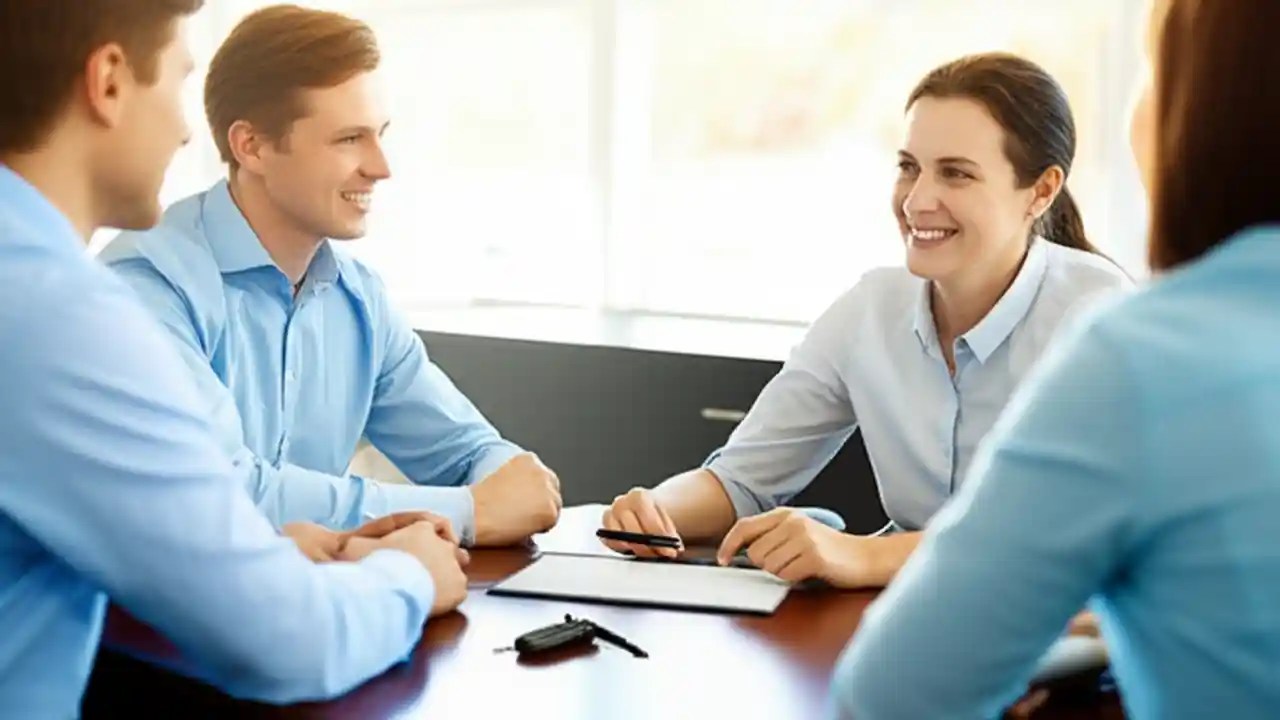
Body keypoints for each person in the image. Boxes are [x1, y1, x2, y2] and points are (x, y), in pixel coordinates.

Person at [0, 2, 469, 715]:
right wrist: (411, 573)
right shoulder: (58, 314)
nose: (187, 129)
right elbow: (287, 643)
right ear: (110, 81)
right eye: (177, 81)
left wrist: (260, 554)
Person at [831, 0, 1280, 717]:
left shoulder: (1142, 354)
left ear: (1202, 112)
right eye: (910, 167)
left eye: (1150, 67)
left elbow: (893, 695)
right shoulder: (872, 306)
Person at [601, 52, 1131, 587]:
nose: (917, 200)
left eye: (956, 174)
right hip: (906, 612)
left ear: (1041, 191)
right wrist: (655, 511)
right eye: (909, 167)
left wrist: (864, 555)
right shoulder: (870, 310)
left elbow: (1062, 534)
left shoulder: (1098, 317)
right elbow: (740, 480)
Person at [101, 5, 562, 549]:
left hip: (316, 595)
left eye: (380, 134)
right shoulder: (147, 286)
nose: (381, 167)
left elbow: (469, 453)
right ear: (252, 146)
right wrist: (467, 512)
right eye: (349, 139)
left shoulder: (359, 300)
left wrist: (516, 484)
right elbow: (223, 495)